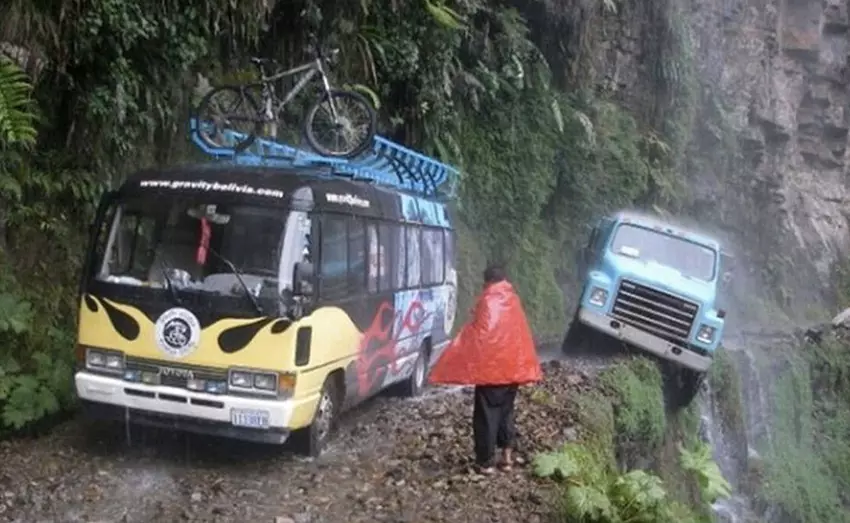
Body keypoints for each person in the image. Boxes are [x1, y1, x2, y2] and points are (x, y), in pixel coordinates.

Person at [429, 263, 542, 474]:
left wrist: (461, 345)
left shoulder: (488, 300)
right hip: (513, 372)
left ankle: (486, 462)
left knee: (486, 416)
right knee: (506, 413)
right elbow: (519, 334)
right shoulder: (513, 300)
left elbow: (481, 335)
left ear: (488, 281)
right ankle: (507, 458)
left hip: (492, 373)